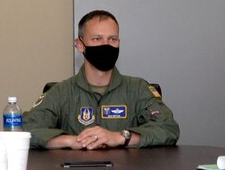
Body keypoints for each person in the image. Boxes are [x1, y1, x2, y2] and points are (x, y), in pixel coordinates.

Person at [23, 9, 179, 149]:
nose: (106, 45)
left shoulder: (137, 89)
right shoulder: (61, 92)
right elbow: (25, 129)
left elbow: (168, 127)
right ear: (80, 45)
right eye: (97, 39)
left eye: (112, 39)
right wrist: (72, 141)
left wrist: (120, 137)